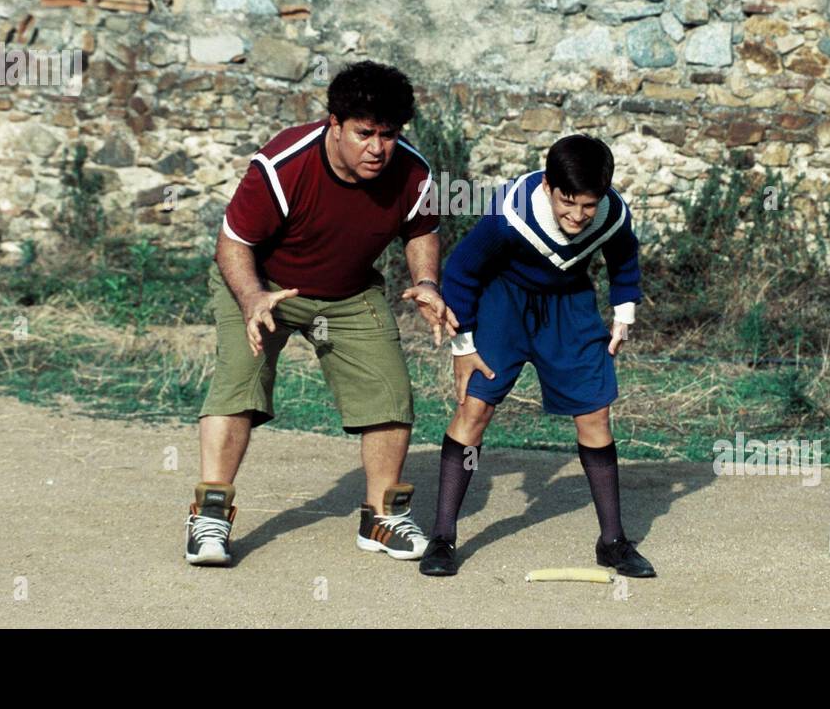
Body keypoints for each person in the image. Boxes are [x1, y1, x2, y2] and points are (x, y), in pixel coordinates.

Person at [187, 61, 455, 566]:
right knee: (238, 384)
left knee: (389, 390)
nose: (378, 148)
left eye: (389, 135)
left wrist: (425, 282)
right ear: (334, 125)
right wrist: (251, 300)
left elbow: (421, 230)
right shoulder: (283, 165)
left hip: (349, 291)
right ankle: (209, 519)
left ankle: (382, 518)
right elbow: (233, 243)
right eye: (364, 133)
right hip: (262, 283)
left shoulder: (413, 172)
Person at [420, 134, 655, 578]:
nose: (579, 215)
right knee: (475, 410)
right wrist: (463, 348)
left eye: (589, 204)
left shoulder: (609, 212)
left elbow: (623, 254)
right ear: (548, 186)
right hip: (502, 304)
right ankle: (443, 536)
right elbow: (462, 271)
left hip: (570, 307)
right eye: (568, 202)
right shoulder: (510, 213)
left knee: (596, 415)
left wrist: (624, 313)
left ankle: (613, 542)